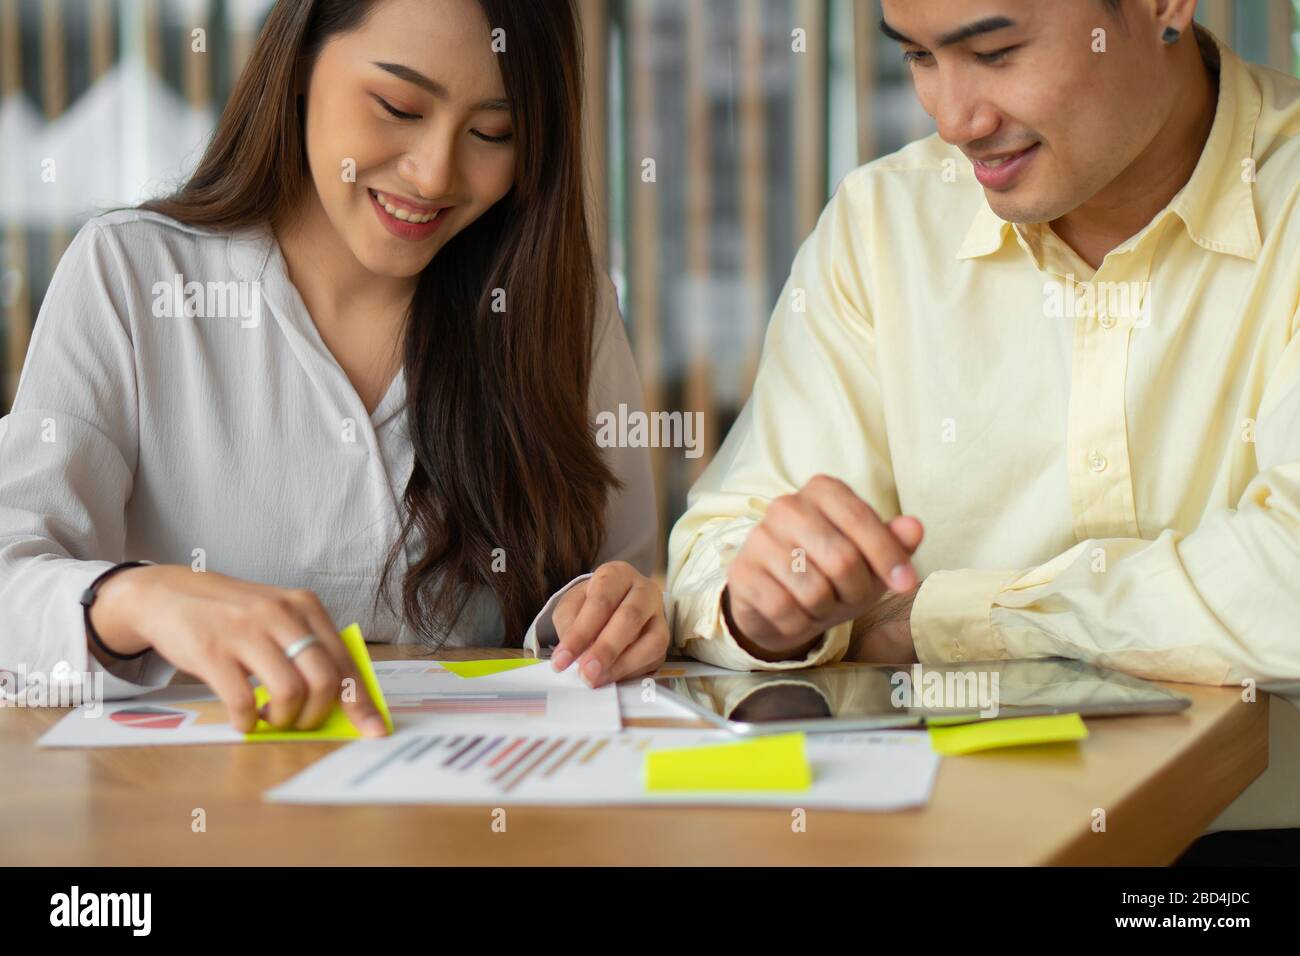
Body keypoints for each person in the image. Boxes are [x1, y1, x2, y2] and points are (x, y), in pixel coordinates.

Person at [667, 0, 1300, 843]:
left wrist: (947, 620)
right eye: (920, 58)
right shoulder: (882, 226)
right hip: (933, 832)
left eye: (996, 53)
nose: (954, 117)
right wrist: (767, 612)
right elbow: (720, 553)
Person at [0, 0, 667, 736]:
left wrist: (608, 619)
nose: (434, 172)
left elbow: (625, 590)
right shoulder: (130, 277)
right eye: (398, 106)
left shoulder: (561, 313)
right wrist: (141, 600)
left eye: (492, 132)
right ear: (299, 63)